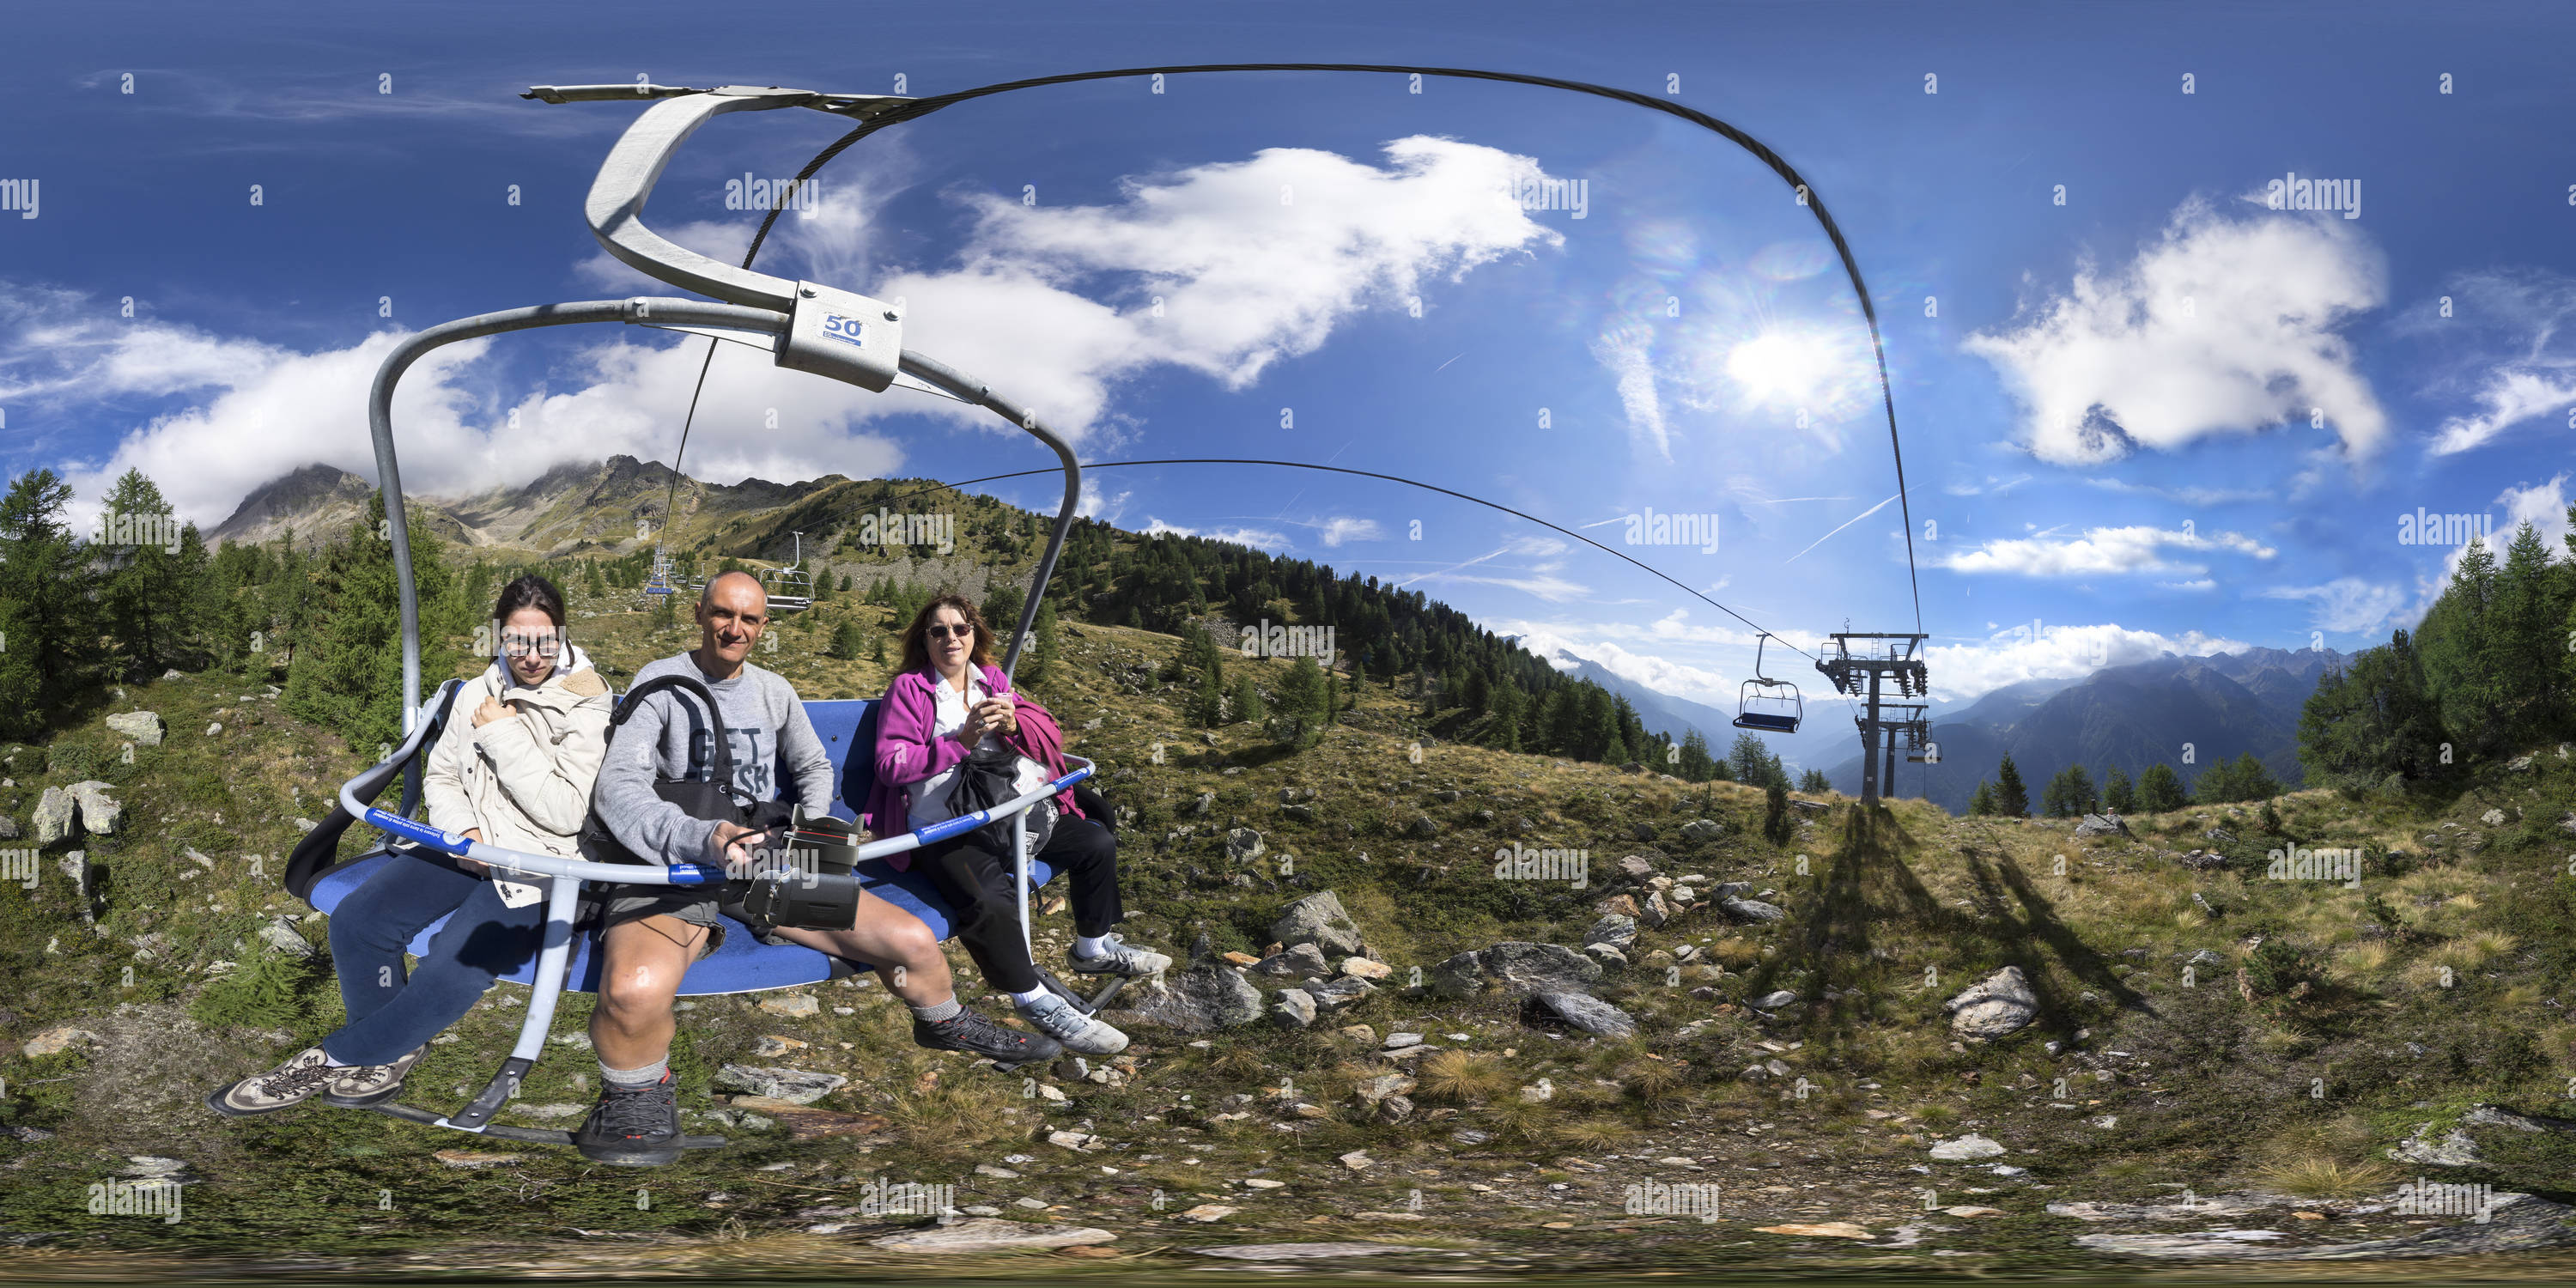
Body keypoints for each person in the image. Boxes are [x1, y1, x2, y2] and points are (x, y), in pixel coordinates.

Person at [579, 571, 1048, 1167]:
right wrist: (697, 837)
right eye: (723, 614)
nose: (734, 629)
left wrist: (811, 828)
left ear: (764, 627)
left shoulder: (774, 691)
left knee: (911, 941)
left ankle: (942, 1020)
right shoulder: (661, 683)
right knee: (633, 990)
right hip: (678, 861)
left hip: (766, 852)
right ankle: (637, 1094)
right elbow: (618, 787)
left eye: (749, 619)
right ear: (699, 614)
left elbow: (812, 765)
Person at [210, 574, 611, 1118]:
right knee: (358, 921)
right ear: (499, 637)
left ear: (562, 636)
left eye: (544, 641)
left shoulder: (587, 703)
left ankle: (332, 1058)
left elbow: (566, 813)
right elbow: (442, 775)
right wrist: (461, 833)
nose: (532, 656)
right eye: (518, 641)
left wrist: (502, 734)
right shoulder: (476, 691)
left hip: (539, 865)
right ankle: (392, 1048)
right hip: (468, 846)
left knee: (459, 955)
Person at [864, 593, 1170, 1057]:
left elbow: (1040, 728)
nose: (951, 638)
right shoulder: (909, 689)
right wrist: (959, 741)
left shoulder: (993, 679)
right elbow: (891, 765)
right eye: (938, 630)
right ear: (923, 640)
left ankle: (1093, 947)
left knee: (1093, 840)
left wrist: (1012, 724)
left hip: (1007, 810)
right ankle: (1032, 998)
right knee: (987, 897)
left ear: (975, 635)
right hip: (945, 825)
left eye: (960, 629)